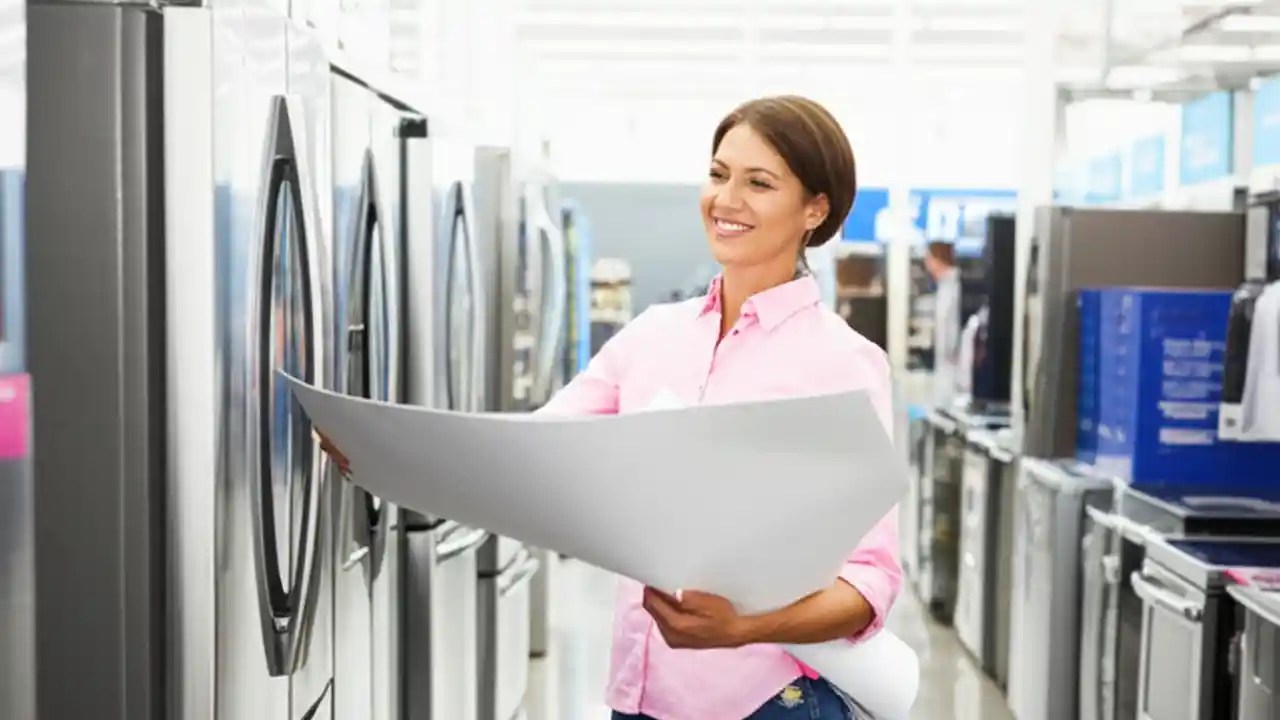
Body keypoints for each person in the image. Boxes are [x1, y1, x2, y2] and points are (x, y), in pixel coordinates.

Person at [322, 95, 901, 720]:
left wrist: (742, 628)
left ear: (815, 208)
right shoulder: (654, 336)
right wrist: (391, 451)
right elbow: (529, 456)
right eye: (718, 174)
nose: (726, 199)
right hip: (641, 697)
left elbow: (871, 580)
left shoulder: (842, 362)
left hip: (769, 703)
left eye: (759, 183)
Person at [923, 240, 961, 407]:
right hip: (946, 366)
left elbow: (951, 333)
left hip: (954, 367)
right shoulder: (945, 286)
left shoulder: (954, 287)